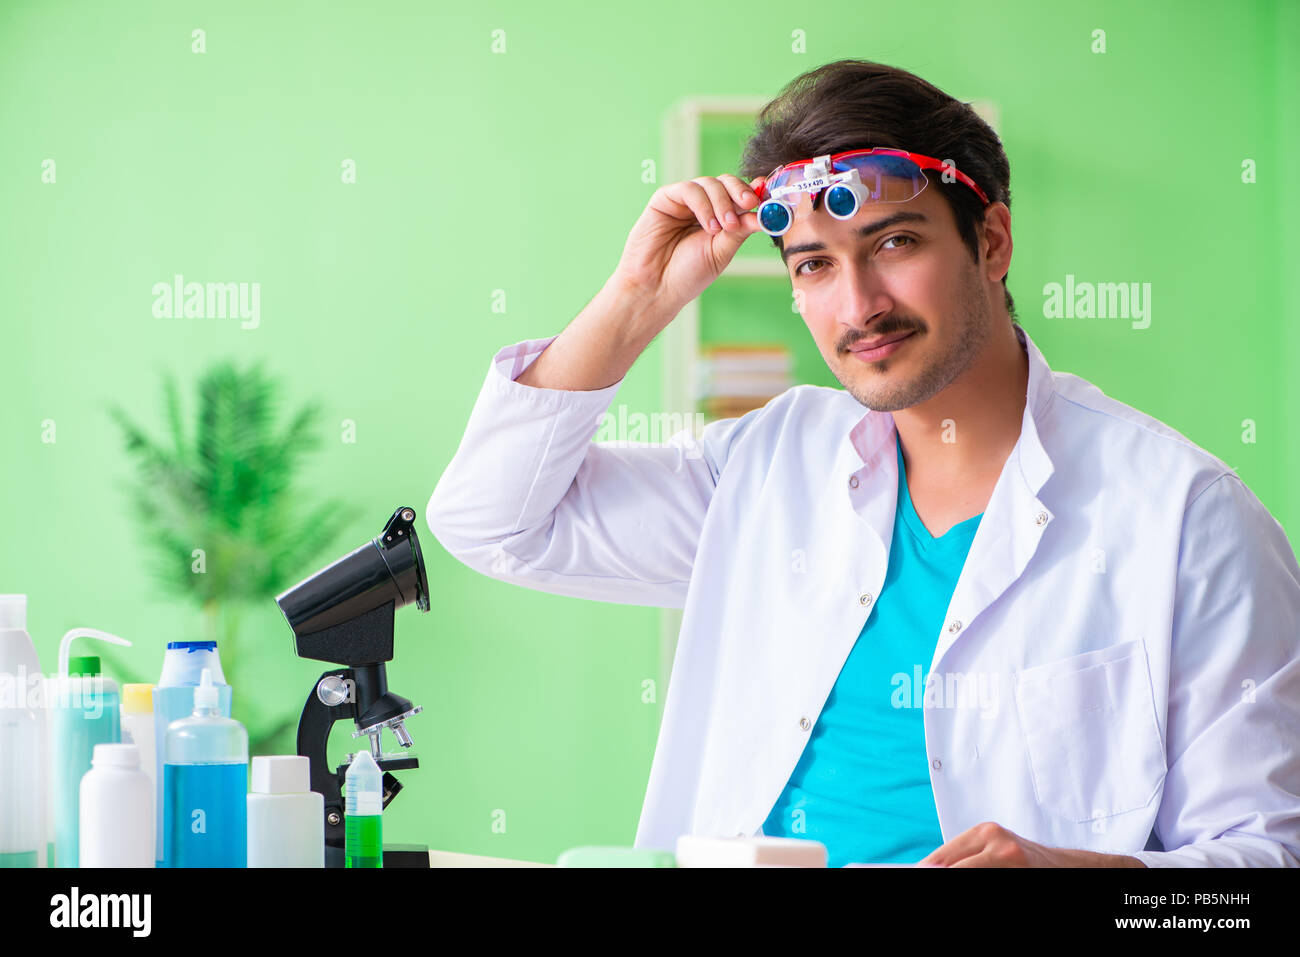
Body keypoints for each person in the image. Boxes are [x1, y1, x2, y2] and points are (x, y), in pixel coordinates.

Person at [426, 59, 1300, 867]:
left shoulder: (1186, 516)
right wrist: (637, 299)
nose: (859, 306)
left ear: (990, 242)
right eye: (813, 264)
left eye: (894, 244)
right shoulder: (769, 467)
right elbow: (493, 521)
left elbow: (1259, 867)